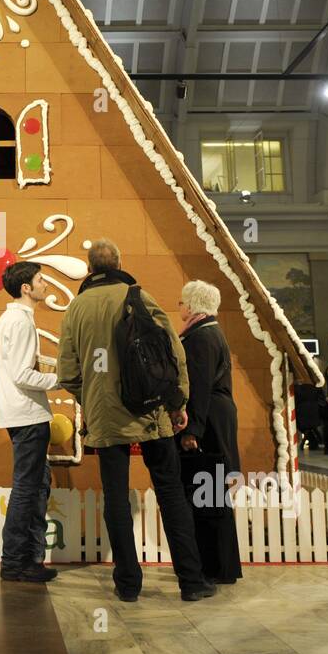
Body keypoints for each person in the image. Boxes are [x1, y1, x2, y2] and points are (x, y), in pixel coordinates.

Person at [57, 239, 215, 603]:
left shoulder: (76, 308)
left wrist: (92, 397)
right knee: (171, 493)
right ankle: (191, 581)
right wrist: (179, 402)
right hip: (151, 412)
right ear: (119, 263)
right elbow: (174, 352)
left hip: (106, 419)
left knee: (115, 499)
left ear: (89, 268)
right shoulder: (139, 297)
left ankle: (128, 584)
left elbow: (67, 372)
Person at [0, 261, 59, 583]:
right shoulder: (19, 322)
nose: (47, 284)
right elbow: (22, 374)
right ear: (26, 288)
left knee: (35, 487)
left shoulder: (12, 320)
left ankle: (28, 560)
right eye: (41, 280)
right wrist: (62, 380)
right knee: (27, 489)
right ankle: (16, 562)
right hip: (28, 414)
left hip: (23, 413)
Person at [175, 279, 243, 584]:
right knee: (213, 495)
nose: (179, 307)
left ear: (192, 305)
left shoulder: (200, 337)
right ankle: (221, 567)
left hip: (209, 420)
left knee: (209, 496)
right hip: (217, 416)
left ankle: (215, 568)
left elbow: (199, 387)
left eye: (181, 302)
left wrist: (193, 430)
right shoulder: (210, 331)